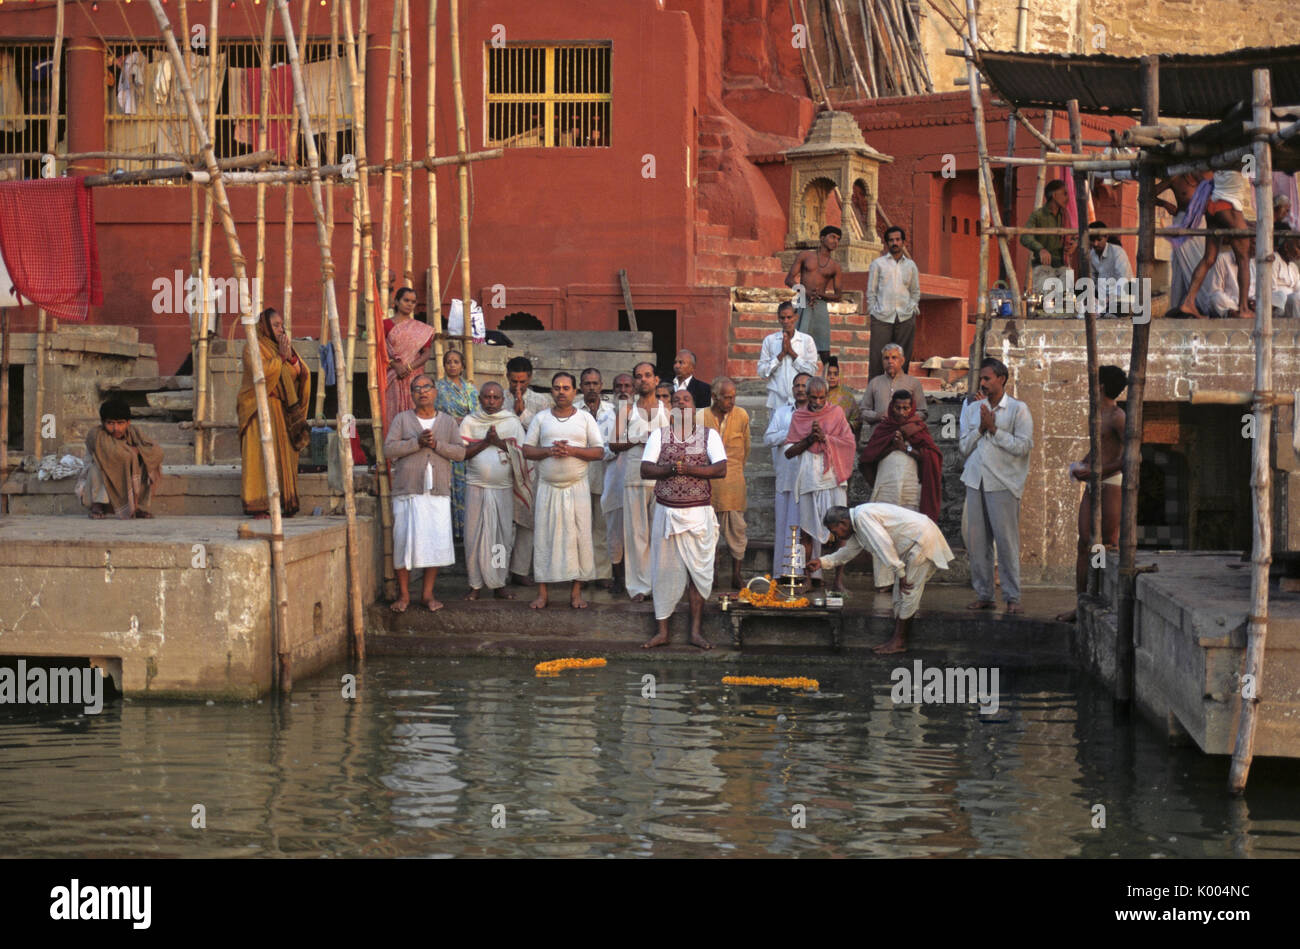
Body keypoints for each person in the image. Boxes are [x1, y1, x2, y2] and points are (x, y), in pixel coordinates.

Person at [641, 389, 728, 650]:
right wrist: (669, 469)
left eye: (685, 400)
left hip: (698, 514)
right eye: (675, 401)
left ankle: (695, 632)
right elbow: (645, 468)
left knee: (697, 574)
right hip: (667, 514)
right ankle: (662, 632)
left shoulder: (709, 435)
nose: (680, 404)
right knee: (663, 572)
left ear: (694, 407)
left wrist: (690, 469)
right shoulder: (659, 435)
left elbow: (721, 468)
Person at [810, 503, 954, 654]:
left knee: (909, 592)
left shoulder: (862, 517)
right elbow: (848, 552)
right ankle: (898, 638)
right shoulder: (857, 525)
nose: (836, 536)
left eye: (835, 531)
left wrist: (900, 572)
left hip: (921, 539)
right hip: (913, 543)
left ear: (843, 523)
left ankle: (899, 641)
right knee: (899, 595)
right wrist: (822, 562)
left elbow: (882, 544)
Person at [521, 372, 606, 610]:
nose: (561, 391)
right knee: (544, 538)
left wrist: (572, 452)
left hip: (577, 487)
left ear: (575, 391)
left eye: (566, 388)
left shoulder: (586, 419)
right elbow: (527, 450)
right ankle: (542, 593)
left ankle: (576, 592)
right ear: (551, 391)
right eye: (557, 387)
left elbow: (598, 452)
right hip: (548, 488)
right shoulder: (541, 418)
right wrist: (549, 451)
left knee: (579, 538)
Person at [383, 373, 464, 613]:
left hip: (436, 492)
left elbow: (460, 453)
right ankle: (405, 595)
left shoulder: (447, 422)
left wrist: (436, 445)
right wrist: (416, 443)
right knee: (403, 542)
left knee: (434, 543)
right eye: (416, 388)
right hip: (408, 491)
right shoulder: (402, 419)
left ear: (435, 391)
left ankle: (427, 594)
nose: (422, 391)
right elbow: (388, 449)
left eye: (426, 387)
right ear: (411, 394)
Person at [959, 357, 1033, 614]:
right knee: (977, 543)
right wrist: (981, 429)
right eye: (981, 379)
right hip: (975, 479)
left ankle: (1013, 598)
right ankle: (984, 595)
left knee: (1006, 541)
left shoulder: (1018, 409)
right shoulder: (972, 409)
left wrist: (994, 430)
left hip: (1003, 482)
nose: (983, 383)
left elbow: (1023, 447)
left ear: (1001, 379)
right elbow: (963, 447)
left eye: (987, 378)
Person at [1057, 365, 1127, 623]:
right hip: (1094, 482)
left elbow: (1133, 457)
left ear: (1101, 387)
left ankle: (1105, 603)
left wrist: (1097, 472)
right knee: (1084, 543)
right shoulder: (1097, 413)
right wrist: (1083, 465)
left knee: (1106, 544)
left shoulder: (1119, 417)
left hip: (1111, 484)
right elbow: (1098, 449)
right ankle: (1081, 605)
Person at [858, 389, 943, 590]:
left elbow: (930, 456)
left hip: (910, 487)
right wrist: (890, 445)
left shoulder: (918, 428)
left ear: (912, 407)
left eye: (906, 408)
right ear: (891, 407)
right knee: (881, 531)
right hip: (886, 486)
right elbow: (869, 457)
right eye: (898, 407)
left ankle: (908, 579)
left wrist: (906, 449)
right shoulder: (883, 429)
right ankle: (884, 581)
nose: (902, 412)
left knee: (910, 530)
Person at [460, 381, 530, 600]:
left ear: (502, 400)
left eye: (496, 397)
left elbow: (522, 454)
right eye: (487, 397)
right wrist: (484, 442)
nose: (491, 401)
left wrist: (499, 443)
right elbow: (461, 453)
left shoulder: (511, 422)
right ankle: (475, 584)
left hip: (503, 489)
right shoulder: (470, 421)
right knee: (473, 537)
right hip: (476, 488)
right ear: (480, 399)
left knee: (501, 538)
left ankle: (499, 583)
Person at [784, 376, 856, 590]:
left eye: (821, 397)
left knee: (842, 530)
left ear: (827, 395)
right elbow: (789, 452)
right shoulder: (798, 416)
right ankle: (808, 578)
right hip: (808, 477)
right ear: (806, 396)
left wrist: (826, 438)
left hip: (832, 477)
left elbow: (849, 443)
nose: (817, 402)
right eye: (813, 397)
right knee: (806, 531)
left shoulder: (836, 413)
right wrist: (809, 440)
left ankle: (838, 580)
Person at [239, 307, 311, 517]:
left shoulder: (284, 347)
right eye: (276, 325)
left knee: (284, 459)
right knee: (261, 459)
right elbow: (259, 374)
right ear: (264, 327)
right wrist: (280, 358)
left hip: (283, 411)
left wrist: (292, 360)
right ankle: (259, 506)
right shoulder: (253, 347)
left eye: (282, 325)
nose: (281, 329)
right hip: (259, 410)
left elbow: (302, 374)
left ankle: (283, 504)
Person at [613, 361, 668, 602]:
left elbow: (680, 443)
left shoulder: (669, 410)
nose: (643, 379)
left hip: (662, 479)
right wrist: (637, 440)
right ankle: (638, 587)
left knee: (661, 533)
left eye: (648, 375)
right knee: (636, 535)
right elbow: (613, 444)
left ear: (656, 380)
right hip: (634, 476)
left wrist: (656, 441)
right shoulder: (626, 409)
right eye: (639, 376)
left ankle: (661, 583)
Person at [1176, 169, 1254, 319]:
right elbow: (1252, 170)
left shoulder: (1220, 157)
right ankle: (1244, 308)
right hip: (1229, 206)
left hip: (1213, 205)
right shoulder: (1242, 153)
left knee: (1209, 258)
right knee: (1244, 258)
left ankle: (1188, 302)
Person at [698, 376, 750, 589]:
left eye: (733, 397)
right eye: (726, 398)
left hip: (733, 483)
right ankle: (713, 575)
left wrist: (734, 471)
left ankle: (737, 575)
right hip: (706, 483)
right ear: (714, 397)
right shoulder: (699, 416)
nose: (731, 402)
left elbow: (746, 449)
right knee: (708, 535)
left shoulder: (742, 415)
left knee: (737, 532)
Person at [506, 355, 551, 586]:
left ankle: (520, 571)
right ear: (507, 378)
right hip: (502, 468)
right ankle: (498, 572)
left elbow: (544, 434)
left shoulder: (542, 402)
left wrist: (522, 412)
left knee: (527, 521)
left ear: (530, 378)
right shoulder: (498, 397)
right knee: (502, 524)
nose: (518, 387)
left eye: (522, 382)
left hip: (531, 470)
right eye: (514, 382)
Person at [78, 398, 163, 519]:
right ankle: (97, 505)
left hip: (124, 472)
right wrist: (133, 453)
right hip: (99, 476)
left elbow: (157, 452)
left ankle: (135, 506)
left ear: (128, 423)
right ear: (103, 422)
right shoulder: (96, 435)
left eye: (120, 423)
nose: (116, 428)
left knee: (149, 462)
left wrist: (138, 452)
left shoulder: (134, 432)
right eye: (110, 423)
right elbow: (116, 455)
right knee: (99, 465)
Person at [765, 372, 809, 574]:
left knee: (805, 529)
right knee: (784, 527)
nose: (800, 389)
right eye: (797, 385)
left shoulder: (818, 414)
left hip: (808, 481)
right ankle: (782, 573)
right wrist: (791, 432)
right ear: (792, 389)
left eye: (804, 385)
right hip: (785, 479)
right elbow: (768, 438)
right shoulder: (782, 412)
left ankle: (805, 574)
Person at [435, 349, 478, 540]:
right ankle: (449, 531)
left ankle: (465, 529)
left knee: (466, 483)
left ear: (462, 365)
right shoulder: (437, 389)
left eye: (456, 362)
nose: (452, 365)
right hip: (445, 440)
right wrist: (452, 421)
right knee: (447, 484)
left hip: (466, 439)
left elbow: (477, 414)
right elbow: (433, 414)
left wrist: (465, 422)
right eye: (448, 362)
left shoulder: (471, 390)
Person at [867, 225, 921, 378]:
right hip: (881, 317)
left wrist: (912, 307)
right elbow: (871, 291)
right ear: (887, 243)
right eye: (891, 240)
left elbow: (915, 291)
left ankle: (900, 397)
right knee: (878, 359)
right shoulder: (878, 264)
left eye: (898, 239)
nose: (894, 243)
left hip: (905, 316)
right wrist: (873, 310)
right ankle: (875, 396)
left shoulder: (911, 266)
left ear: (903, 242)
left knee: (902, 359)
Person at [579, 367, 616, 587]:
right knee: (580, 528)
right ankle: (581, 574)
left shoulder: (612, 412)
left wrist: (596, 452)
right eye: (587, 384)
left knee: (602, 528)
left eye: (595, 383)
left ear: (601, 386)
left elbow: (614, 445)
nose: (591, 388)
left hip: (605, 476)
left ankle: (602, 574)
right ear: (581, 387)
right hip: (579, 477)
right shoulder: (573, 411)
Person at [785, 224, 841, 361]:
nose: (835, 241)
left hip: (820, 305)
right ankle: (796, 380)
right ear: (822, 238)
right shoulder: (805, 256)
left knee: (824, 348)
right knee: (797, 343)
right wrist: (805, 291)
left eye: (838, 239)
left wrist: (821, 295)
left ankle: (827, 379)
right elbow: (789, 279)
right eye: (832, 237)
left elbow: (838, 295)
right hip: (803, 301)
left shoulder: (835, 266)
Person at [601, 372, 635, 592]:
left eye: (627, 386)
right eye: (618, 386)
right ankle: (617, 579)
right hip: (613, 482)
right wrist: (623, 445)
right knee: (614, 532)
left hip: (638, 481)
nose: (623, 390)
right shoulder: (605, 419)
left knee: (638, 532)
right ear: (612, 390)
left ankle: (637, 579)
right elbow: (601, 451)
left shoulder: (643, 416)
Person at [858, 342, 927, 448]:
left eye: (894, 357)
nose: (890, 361)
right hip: (879, 439)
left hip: (906, 438)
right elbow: (863, 411)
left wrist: (905, 418)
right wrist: (878, 416)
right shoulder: (874, 382)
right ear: (882, 361)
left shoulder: (913, 383)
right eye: (886, 358)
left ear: (902, 360)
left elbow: (923, 412)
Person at [383, 286, 433, 430]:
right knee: (392, 412)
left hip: (414, 376)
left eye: (413, 301)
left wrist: (409, 367)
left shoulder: (421, 329)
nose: (409, 304)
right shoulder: (385, 325)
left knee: (415, 413)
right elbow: (381, 351)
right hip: (392, 376)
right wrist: (395, 365)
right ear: (397, 301)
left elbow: (426, 353)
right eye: (406, 300)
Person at [756, 301, 819, 410]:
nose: (786, 321)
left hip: (801, 400)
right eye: (782, 318)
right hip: (777, 401)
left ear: (796, 317)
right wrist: (780, 356)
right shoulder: (770, 340)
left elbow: (811, 371)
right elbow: (762, 372)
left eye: (789, 317)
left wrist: (792, 353)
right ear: (778, 319)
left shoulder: (807, 340)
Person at [1021, 179, 1070, 299]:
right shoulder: (1038, 215)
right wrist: (1040, 249)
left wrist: (1073, 244)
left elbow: (1074, 236)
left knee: (1066, 302)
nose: (1067, 198)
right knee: (1046, 303)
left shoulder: (1066, 216)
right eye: (1064, 193)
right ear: (1054, 195)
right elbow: (1024, 236)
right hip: (1044, 267)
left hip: (1062, 266)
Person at [1195, 235, 1256, 318]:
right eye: (1254, 244)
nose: (1256, 248)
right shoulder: (1222, 259)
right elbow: (1215, 291)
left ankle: (1243, 312)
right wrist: (1239, 302)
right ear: (1245, 244)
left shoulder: (1255, 262)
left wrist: (1251, 301)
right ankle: (1232, 313)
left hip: (1250, 305)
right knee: (1216, 298)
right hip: (1231, 303)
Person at [1086, 220, 1134, 317]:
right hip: (1103, 297)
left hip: (1121, 296)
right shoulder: (1091, 254)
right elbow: (1092, 279)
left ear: (1106, 237)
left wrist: (1108, 300)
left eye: (1099, 240)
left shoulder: (1118, 252)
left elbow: (1124, 281)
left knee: (1115, 311)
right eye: (1092, 240)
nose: (1095, 244)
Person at [825, 355, 861, 440]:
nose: (832, 377)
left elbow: (858, 420)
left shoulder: (848, 397)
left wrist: (845, 426)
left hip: (842, 439)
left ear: (840, 376)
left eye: (835, 374)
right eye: (829, 374)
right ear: (824, 375)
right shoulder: (818, 395)